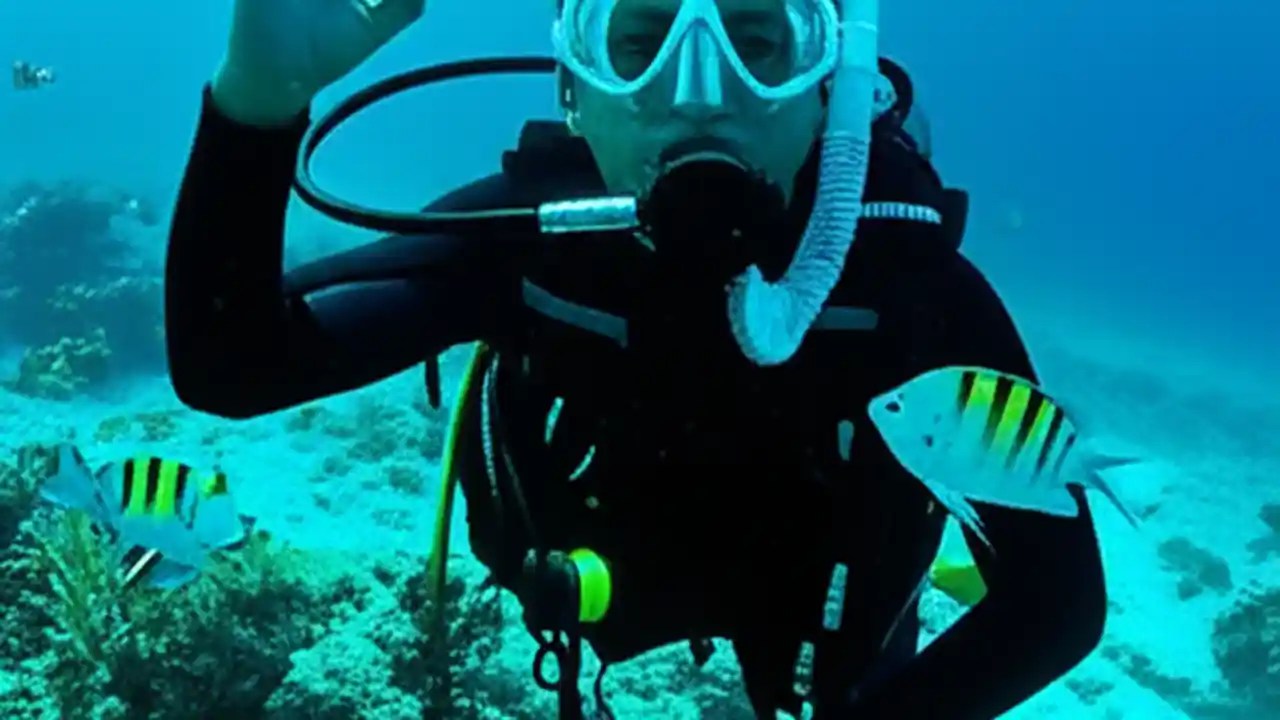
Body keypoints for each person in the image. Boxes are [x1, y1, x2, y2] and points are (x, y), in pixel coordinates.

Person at [165, 0, 1109, 718]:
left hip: (834, 628)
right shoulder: (527, 237)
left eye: (760, 41)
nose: (699, 90)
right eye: (639, 40)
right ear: (575, 89)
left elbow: (1055, 604)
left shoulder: (902, 283)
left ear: (833, 89)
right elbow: (231, 365)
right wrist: (257, 102)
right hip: (590, 587)